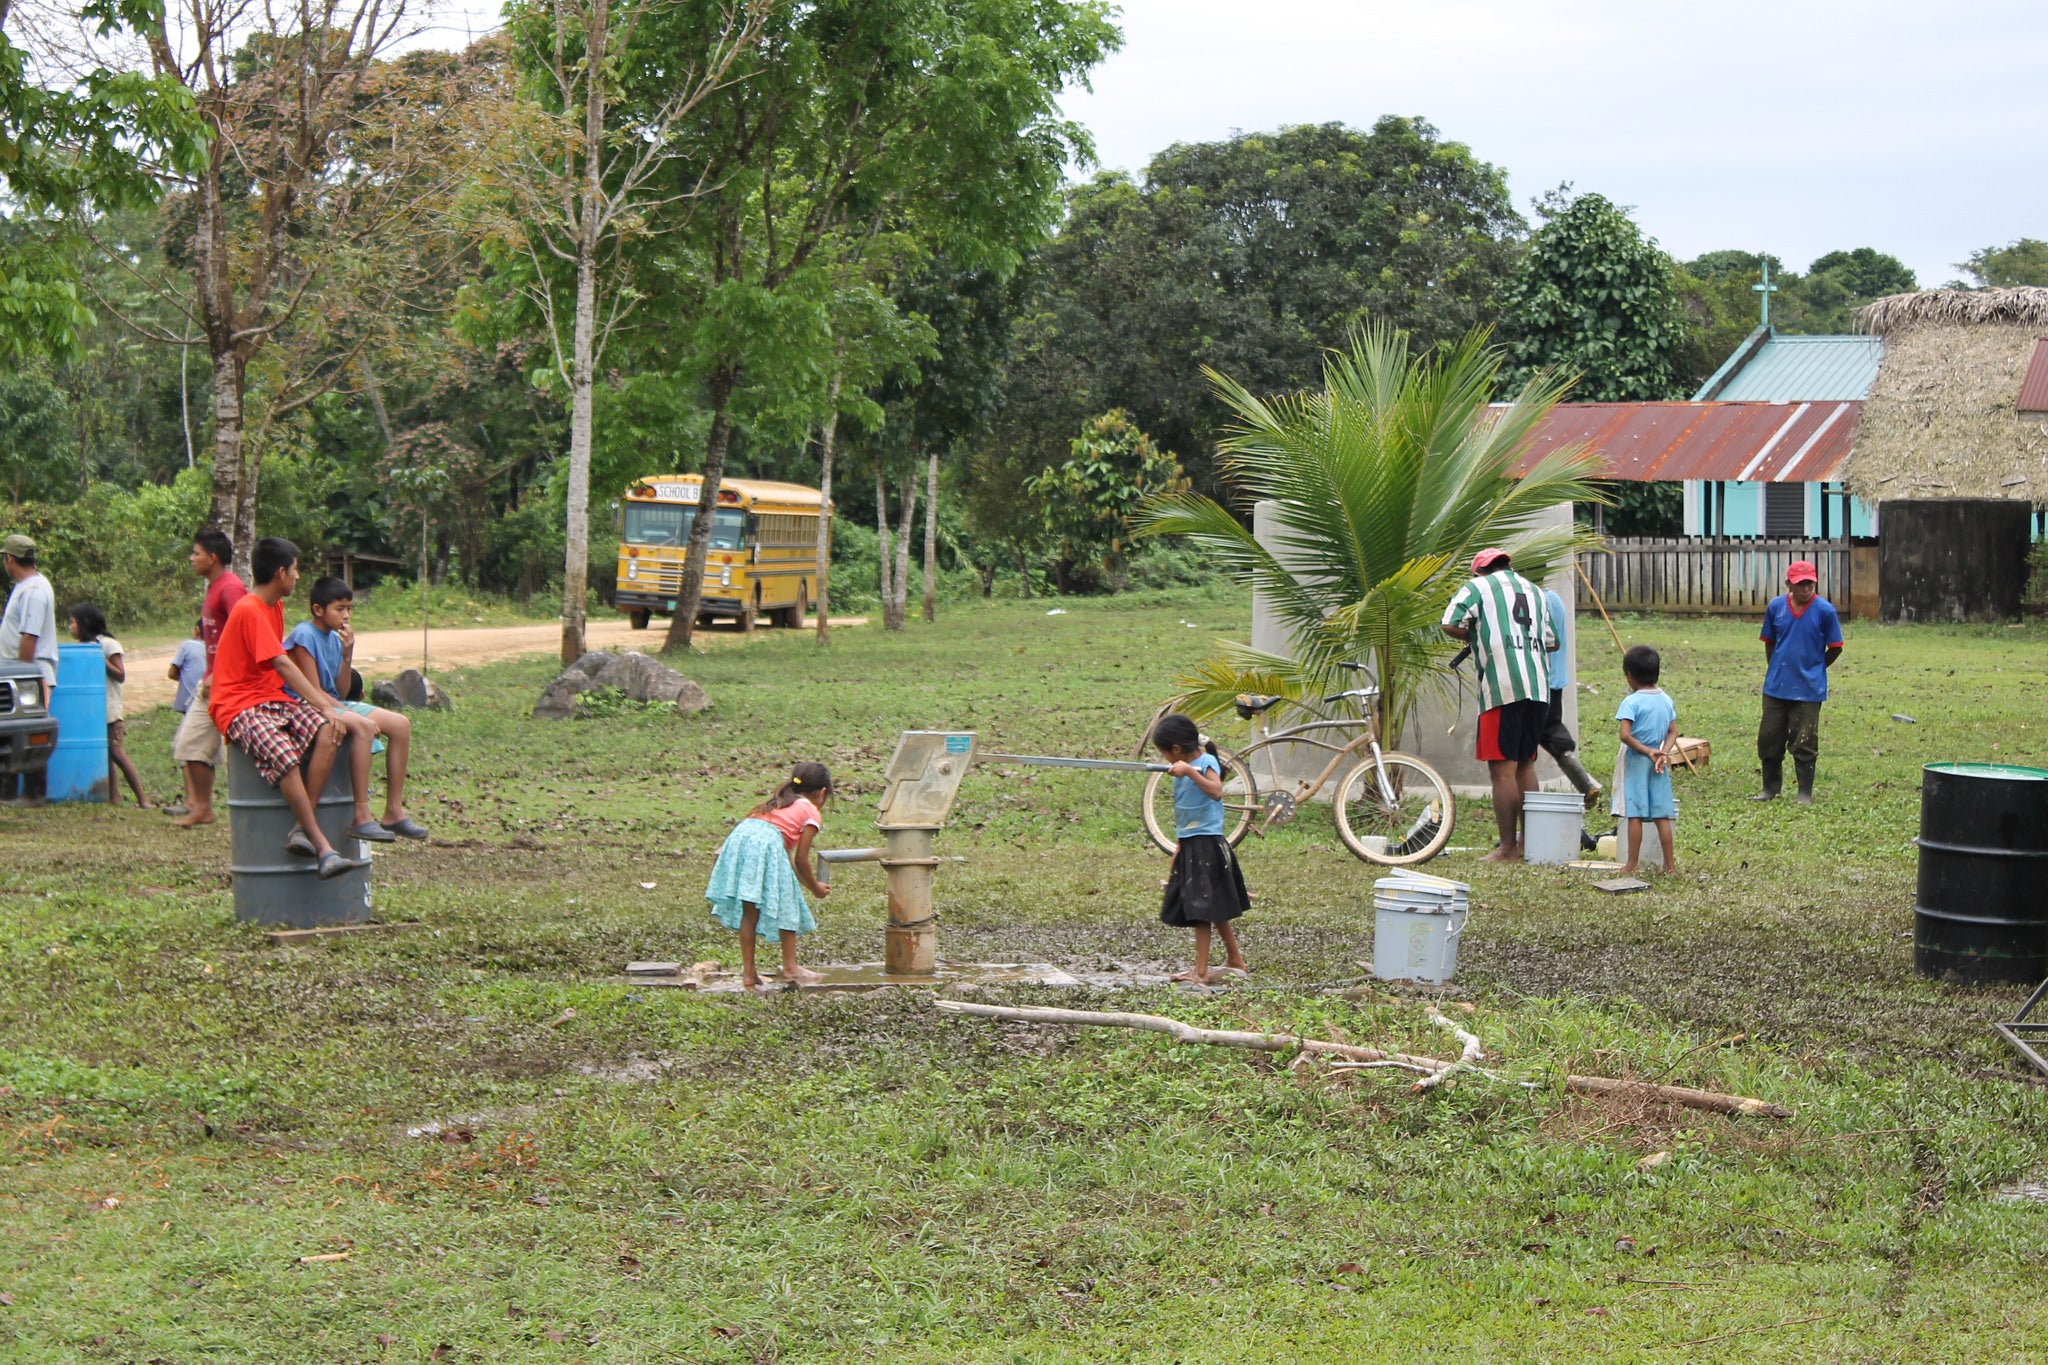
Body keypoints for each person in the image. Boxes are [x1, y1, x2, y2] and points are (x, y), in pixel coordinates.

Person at [209, 537, 391, 880]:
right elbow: (282, 664)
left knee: (328, 730)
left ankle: (300, 828)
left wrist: (327, 713)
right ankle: (323, 845)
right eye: (295, 570)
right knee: (285, 753)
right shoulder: (249, 610)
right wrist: (324, 704)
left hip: (272, 698)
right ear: (281, 573)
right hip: (238, 704)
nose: (297, 577)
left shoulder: (274, 607)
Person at [284, 576, 428, 839]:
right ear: (318, 610)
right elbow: (313, 691)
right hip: (308, 704)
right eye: (340, 609)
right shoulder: (304, 634)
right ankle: (361, 815)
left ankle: (393, 812)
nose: (346, 615)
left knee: (400, 725)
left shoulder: (335, 638)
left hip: (332, 701)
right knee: (362, 727)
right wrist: (349, 713)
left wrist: (347, 653)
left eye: (349, 608)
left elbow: (338, 691)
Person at [1442, 548, 1557, 862]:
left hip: (1502, 688)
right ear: (1508, 566)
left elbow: (1450, 622)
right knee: (1525, 765)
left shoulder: (1477, 588)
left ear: (1479, 571)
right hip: (1537, 688)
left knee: (1503, 772)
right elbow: (1551, 641)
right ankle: (1529, 845)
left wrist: (1476, 637)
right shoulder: (1535, 592)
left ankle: (1507, 849)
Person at [705, 762, 834, 989]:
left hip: (741, 837)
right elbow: (801, 859)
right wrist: (815, 888)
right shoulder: (810, 811)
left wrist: (804, 884)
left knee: (750, 909)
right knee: (788, 902)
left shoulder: (776, 803)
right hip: (766, 844)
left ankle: (749, 973)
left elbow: (789, 862)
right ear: (822, 793)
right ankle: (791, 967)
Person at [1153, 713, 1249, 984]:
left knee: (1201, 910)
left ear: (1176, 749)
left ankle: (1202, 972)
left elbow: (1216, 792)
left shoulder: (1206, 763)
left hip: (1207, 845)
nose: (1166, 761)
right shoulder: (1180, 772)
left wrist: (1191, 771)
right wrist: (1179, 849)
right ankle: (1235, 959)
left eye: (1165, 754)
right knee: (1214, 906)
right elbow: (1186, 817)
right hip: (1192, 844)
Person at [170, 529, 247, 828]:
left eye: (196, 553)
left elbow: (243, 632)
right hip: (211, 683)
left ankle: (250, 807)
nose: (191, 559)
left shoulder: (230, 588)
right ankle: (202, 807)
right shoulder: (213, 587)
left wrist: (221, 673)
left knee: (238, 754)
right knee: (191, 744)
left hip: (229, 685)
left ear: (212, 558)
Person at [1754, 560, 1843, 805]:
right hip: (1776, 686)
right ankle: (1770, 788)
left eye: (1809, 584)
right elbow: (1769, 641)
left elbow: (1836, 647)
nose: (1805, 589)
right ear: (1788, 585)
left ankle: (1805, 792)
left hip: (1808, 688)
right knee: (1769, 738)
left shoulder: (1825, 611)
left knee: (1804, 740)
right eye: (1800, 584)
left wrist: (1817, 667)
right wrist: (1775, 668)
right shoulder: (1776, 607)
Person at [67, 602, 150, 808]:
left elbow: (120, 674)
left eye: (72, 622)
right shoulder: (82, 648)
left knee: (116, 752)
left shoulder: (107, 645)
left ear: (84, 623)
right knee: (106, 755)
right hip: (93, 711)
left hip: (110, 711)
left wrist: (98, 658)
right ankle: (114, 797)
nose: (69, 627)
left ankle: (143, 799)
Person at [1537, 583, 1603, 814]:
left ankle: (1584, 784)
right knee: (1551, 730)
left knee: (1538, 735)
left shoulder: (1534, 600)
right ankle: (1584, 783)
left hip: (1539, 681)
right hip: (1556, 679)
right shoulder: (1554, 597)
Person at [1615, 644, 1678, 876]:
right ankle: (1669, 865)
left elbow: (1625, 735)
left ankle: (1631, 863)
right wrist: (1663, 752)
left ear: (1629, 675)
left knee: (1636, 814)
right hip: (1659, 763)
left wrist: (1645, 751)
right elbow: (1673, 731)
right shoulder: (1665, 700)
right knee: (1662, 814)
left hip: (1637, 761)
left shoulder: (1631, 702)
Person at [2, 534, 60, 689]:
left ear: (10, 558)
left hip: (32, 672)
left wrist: (23, 676)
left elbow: (29, 637)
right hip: (17, 670)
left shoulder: (34, 590)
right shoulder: (24, 585)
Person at [163, 619, 206, 815]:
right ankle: (198, 801)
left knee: (184, 750)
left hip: (193, 708)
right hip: (209, 706)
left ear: (197, 630)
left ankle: (191, 802)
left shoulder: (187, 645)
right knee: (199, 754)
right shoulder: (216, 651)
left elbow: (172, 672)